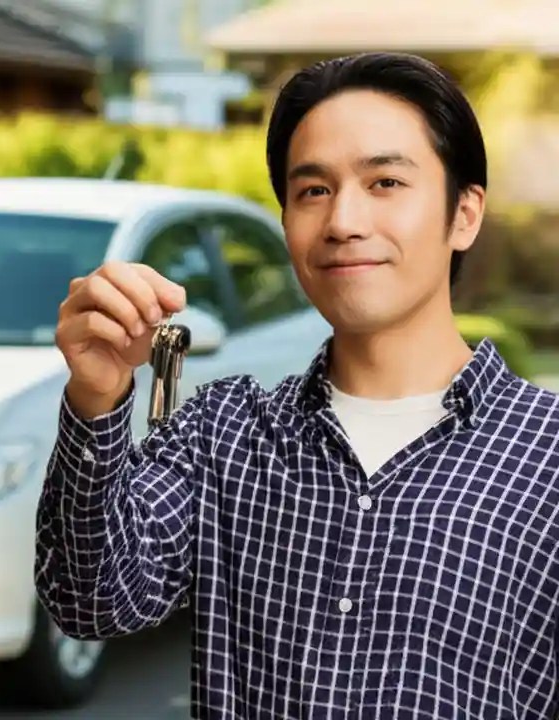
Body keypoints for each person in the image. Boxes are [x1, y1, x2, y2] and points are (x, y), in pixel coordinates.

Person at [36, 51, 559, 718]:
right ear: (286, 224)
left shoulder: (547, 455)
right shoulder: (224, 434)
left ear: (464, 214)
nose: (343, 221)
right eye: (313, 190)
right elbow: (92, 599)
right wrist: (97, 396)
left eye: (385, 183)